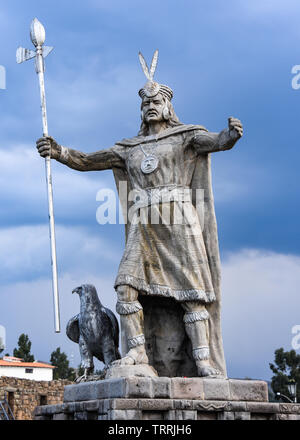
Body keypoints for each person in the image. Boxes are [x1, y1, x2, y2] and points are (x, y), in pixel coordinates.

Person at [36, 52, 243, 377]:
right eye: (145, 102)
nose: (150, 105)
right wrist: (59, 151)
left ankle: (203, 361)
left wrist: (229, 135)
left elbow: (215, 141)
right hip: (143, 226)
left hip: (178, 221)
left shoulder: (185, 136)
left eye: (156, 100)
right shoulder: (128, 148)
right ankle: (136, 354)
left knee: (192, 294)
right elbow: (89, 160)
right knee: (125, 287)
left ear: (167, 106)